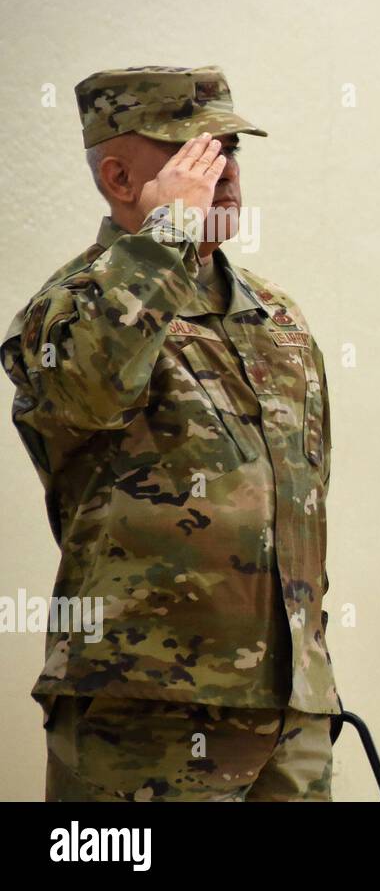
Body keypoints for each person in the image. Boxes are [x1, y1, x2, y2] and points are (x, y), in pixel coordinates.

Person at [2, 66, 339, 800]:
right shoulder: (69, 307)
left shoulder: (276, 317)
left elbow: (301, 501)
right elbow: (89, 390)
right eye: (195, 154)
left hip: (289, 707)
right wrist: (167, 235)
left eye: (230, 149)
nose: (224, 173)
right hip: (144, 704)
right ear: (121, 178)